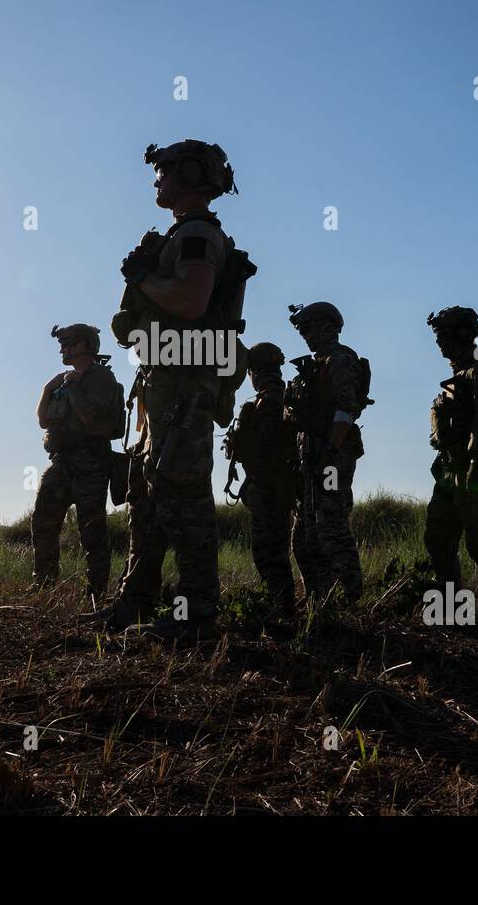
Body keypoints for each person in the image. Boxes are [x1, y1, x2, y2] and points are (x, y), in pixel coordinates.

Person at [97, 139, 247, 641]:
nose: (156, 181)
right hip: (160, 385)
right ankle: (133, 604)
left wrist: (142, 279)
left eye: (163, 172)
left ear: (187, 175)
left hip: (183, 386)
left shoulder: (199, 234)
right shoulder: (182, 234)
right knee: (146, 497)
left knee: (183, 499)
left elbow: (189, 300)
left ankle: (197, 614)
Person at [284, 302, 371, 604]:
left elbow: (347, 409)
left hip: (331, 458)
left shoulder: (341, 360)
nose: (305, 335)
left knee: (330, 527)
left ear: (329, 326)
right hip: (310, 458)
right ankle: (318, 598)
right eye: (302, 330)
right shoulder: (316, 365)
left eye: (309, 328)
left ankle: (349, 597)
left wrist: (330, 451)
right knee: (304, 535)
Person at [31, 323, 124, 598]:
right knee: (43, 521)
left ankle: (95, 591)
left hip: (91, 463)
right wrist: (49, 389)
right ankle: (44, 584)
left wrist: (72, 390)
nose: (63, 348)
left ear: (86, 344)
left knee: (92, 530)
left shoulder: (101, 379)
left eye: (69, 342)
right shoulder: (63, 379)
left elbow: (90, 419)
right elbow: (43, 420)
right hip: (62, 461)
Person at [423, 306, 478, 590]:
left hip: (477, 469)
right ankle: (449, 603)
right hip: (451, 469)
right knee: (437, 536)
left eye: (444, 334)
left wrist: (477, 460)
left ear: (463, 334)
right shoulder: (459, 374)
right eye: (437, 336)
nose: (439, 341)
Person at [223, 341, 298, 622]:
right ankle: (279, 607)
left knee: (270, 553)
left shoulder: (270, 402)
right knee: (270, 551)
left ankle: (281, 611)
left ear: (253, 371)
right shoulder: (276, 398)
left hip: (269, 488)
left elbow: (267, 450)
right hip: (269, 486)